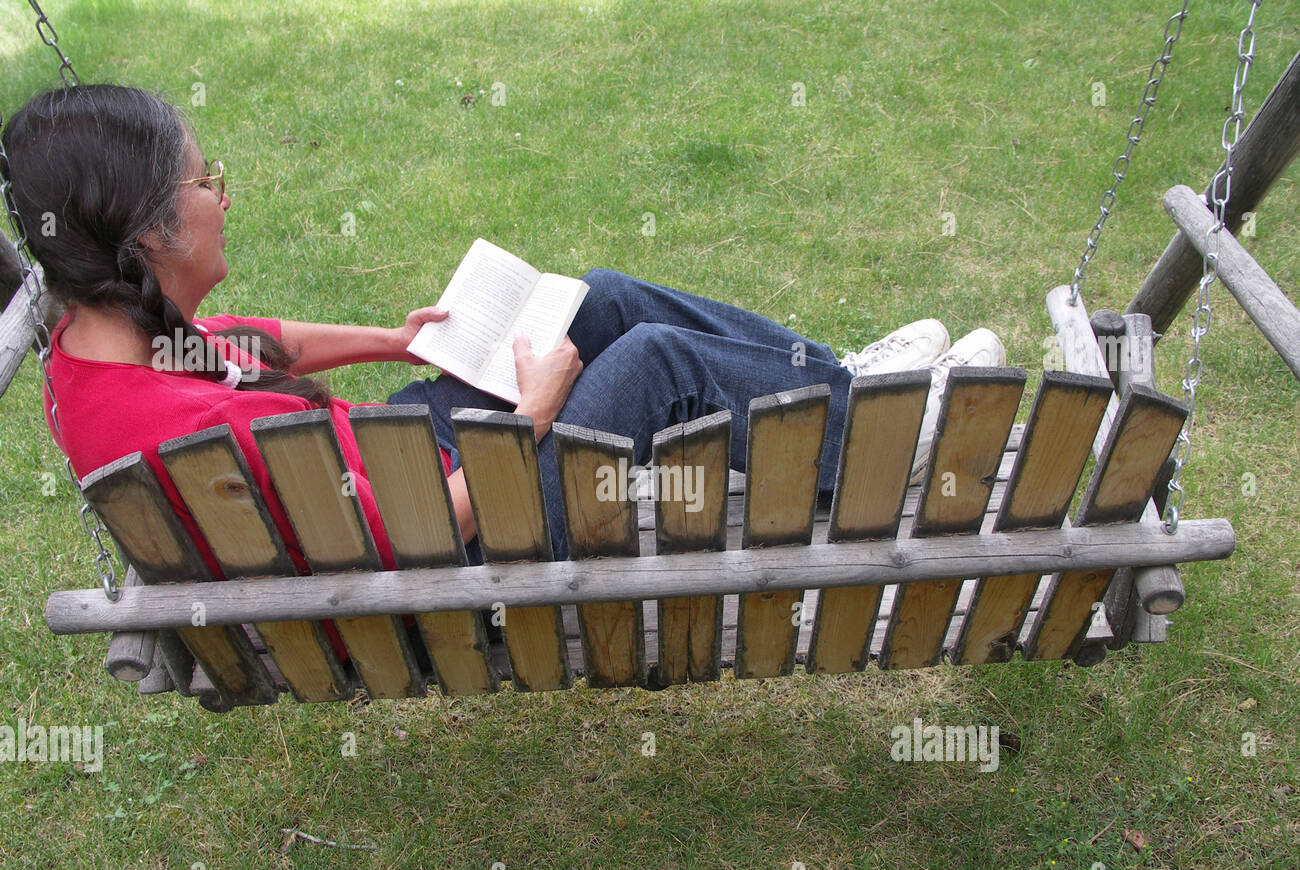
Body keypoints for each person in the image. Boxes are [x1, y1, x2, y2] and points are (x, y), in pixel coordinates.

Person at [3, 83, 1005, 575]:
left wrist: (398, 341)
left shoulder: (107, 343)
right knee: (651, 359)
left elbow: (258, 342)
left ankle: (834, 381)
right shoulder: (168, 430)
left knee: (598, 298)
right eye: (205, 181)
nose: (223, 197)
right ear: (144, 229)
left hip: (407, 455)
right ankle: (890, 441)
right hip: (469, 548)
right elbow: (392, 540)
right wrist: (526, 419)